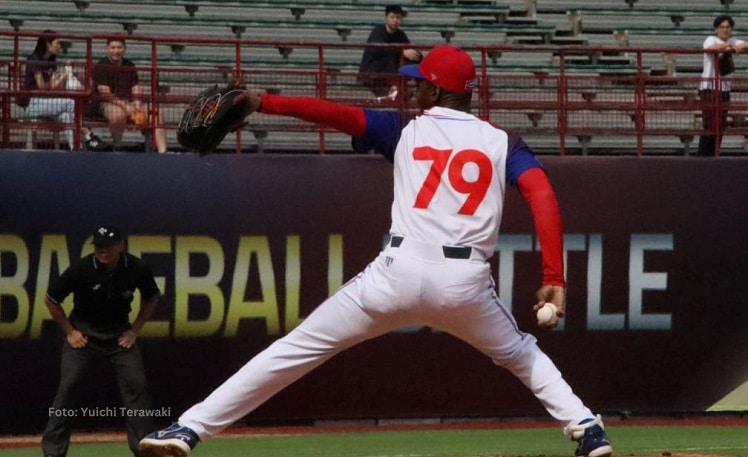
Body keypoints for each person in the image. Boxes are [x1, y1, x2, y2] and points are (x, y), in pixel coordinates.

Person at [138, 45, 613, 457]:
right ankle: (588, 429)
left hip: (397, 273)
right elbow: (541, 193)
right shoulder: (501, 141)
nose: (412, 92)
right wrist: (555, 274)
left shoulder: (403, 127)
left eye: (418, 85)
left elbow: (333, 113)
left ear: (436, 91)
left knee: (297, 348)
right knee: (520, 351)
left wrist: (264, 101)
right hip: (464, 283)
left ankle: (189, 428)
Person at [42, 225, 161, 457]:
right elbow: (51, 299)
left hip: (119, 337)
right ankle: (53, 453)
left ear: (120, 246)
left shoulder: (137, 268)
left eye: (107, 246)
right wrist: (69, 331)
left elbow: (151, 298)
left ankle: (145, 450)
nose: (102, 250)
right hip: (83, 336)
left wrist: (134, 330)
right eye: (98, 246)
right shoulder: (81, 269)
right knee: (67, 388)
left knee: (137, 386)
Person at [91, 37, 167, 153]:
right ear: (107, 49)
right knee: (117, 115)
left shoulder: (129, 64)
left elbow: (135, 87)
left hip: (130, 102)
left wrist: (137, 104)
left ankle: (163, 152)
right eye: (113, 48)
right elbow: (104, 93)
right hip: (108, 103)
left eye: (119, 47)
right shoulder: (101, 66)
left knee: (157, 114)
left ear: (124, 49)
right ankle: (117, 146)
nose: (116, 51)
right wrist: (125, 106)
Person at [696, 15, 748, 156]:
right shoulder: (711, 39)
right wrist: (728, 46)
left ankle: (715, 153)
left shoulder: (732, 41)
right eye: (722, 27)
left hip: (724, 89)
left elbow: (747, 44)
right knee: (709, 124)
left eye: (728, 27)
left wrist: (735, 46)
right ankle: (703, 156)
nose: (725, 30)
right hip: (709, 88)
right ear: (716, 29)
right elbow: (710, 48)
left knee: (721, 124)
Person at [19, 30, 75, 150]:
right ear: (48, 44)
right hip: (33, 102)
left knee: (65, 116)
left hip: (47, 101)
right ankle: (86, 133)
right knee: (71, 103)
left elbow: (53, 85)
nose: (60, 46)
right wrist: (61, 77)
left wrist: (62, 77)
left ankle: (76, 148)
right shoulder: (34, 59)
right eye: (57, 43)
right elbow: (42, 87)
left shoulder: (52, 61)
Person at [358, 4, 421, 100]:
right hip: (373, 71)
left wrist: (416, 55)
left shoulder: (400, 34)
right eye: (392, 17)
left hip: (391, 71)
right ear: (386, 18)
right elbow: (380, 50)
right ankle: (394, 89)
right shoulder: (378, 32)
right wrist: (401, 52)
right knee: (389, 58)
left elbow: (409, 49)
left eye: (398, 17)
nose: (395, 20)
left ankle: (417, 89)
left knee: (414, 59)